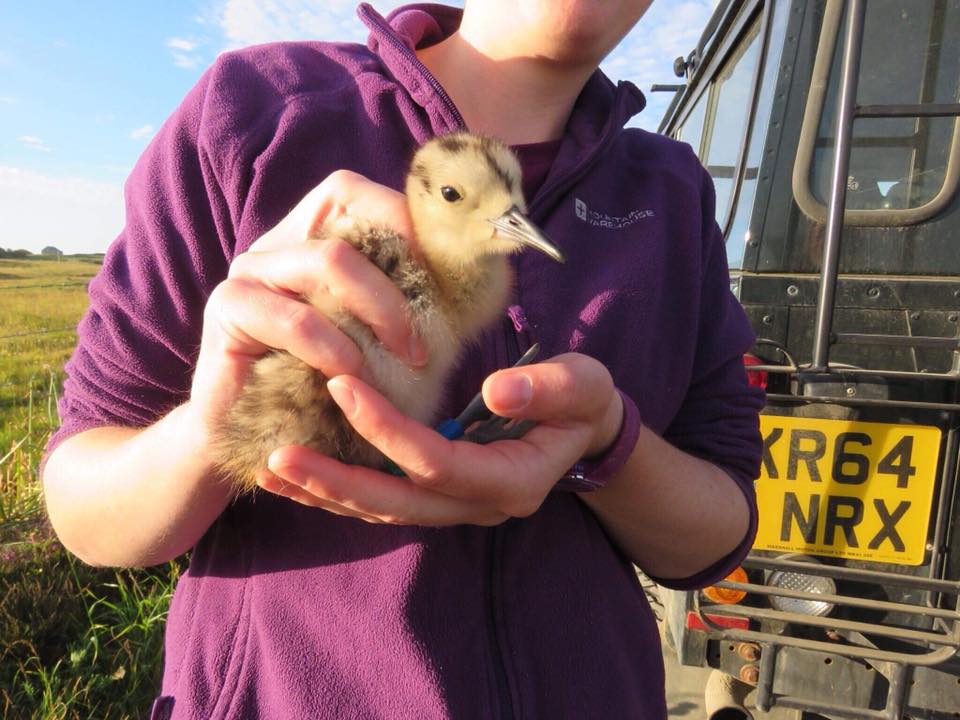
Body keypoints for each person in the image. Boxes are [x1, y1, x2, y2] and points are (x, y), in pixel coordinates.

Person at [42, 2, 764, 718]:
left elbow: (720, 529)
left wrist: (607, 441)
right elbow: (85, 507)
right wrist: (216, 419)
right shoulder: (258, 111)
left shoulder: (672, 191)